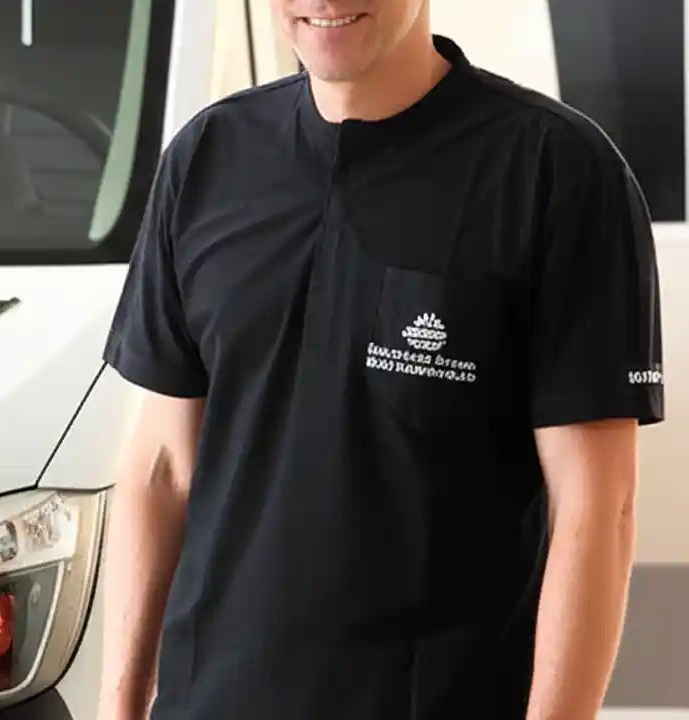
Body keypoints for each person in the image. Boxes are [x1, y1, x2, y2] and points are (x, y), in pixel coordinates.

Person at [97, 1, 665, 719]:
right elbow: (164, 472)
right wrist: (120, 701)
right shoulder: (206, 156)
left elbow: (596, 507)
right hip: (212, 698)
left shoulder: (556, 171)